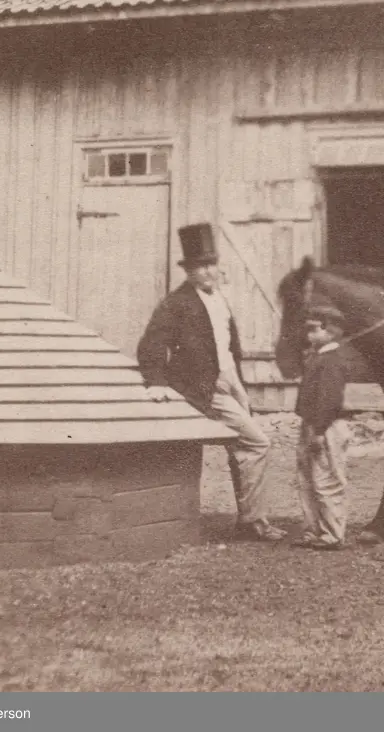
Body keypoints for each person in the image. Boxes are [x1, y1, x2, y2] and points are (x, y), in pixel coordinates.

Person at [137, 223, 286, 543]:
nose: (207, 272)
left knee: (243, 448)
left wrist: (239, 386)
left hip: (229, 379)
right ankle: (253, 520)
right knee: (257, 442)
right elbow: (151, 343)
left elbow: (228, 348)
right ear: (188, 271)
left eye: (211, 265)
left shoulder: (219, 298)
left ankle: (250, 519)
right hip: (201, 387)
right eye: (198, 267)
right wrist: (156, 381)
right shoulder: (177, 303)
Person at [292, 304, 350, 552]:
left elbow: (329, 401)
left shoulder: (332, 362)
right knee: (306, 479)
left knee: (327, 480)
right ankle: (313, 529)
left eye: (314, 330)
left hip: (325, 427)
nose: (309, 336)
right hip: (311, 424)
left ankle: (333, 534)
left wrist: (318, 431)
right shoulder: (318, 358)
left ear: (331, 332)